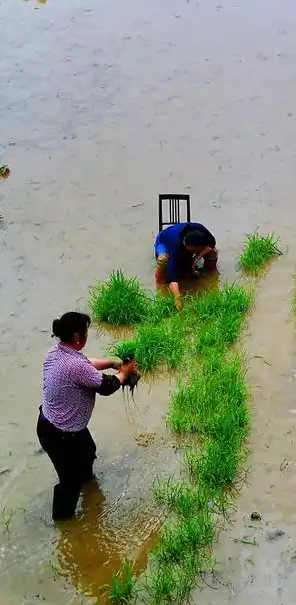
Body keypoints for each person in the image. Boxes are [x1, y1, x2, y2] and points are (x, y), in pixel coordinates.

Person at [37, 312, 138, 520]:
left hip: (56, 424)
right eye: (85, 332)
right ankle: (65, 528)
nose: (86, 336)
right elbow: (107, 386)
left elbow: (87, 363)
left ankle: (89, 489)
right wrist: (125, 372)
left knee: (88, 451)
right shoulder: (74, 365)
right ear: (77, 336)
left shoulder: (57, 353)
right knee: (69, 483)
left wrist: (112, 363)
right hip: (60, 434)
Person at [154, 221, 218, 309]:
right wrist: (178, 299)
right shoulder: (175, 249)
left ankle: (211, 274)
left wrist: (197, 258)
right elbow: (172, 279)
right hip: (163, 241)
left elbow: (211, 244)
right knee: (163, 260)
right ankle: (159, 281)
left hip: (178, 234)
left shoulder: (200, 229)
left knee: (213, 253)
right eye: (195, 251)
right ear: (189, 248)